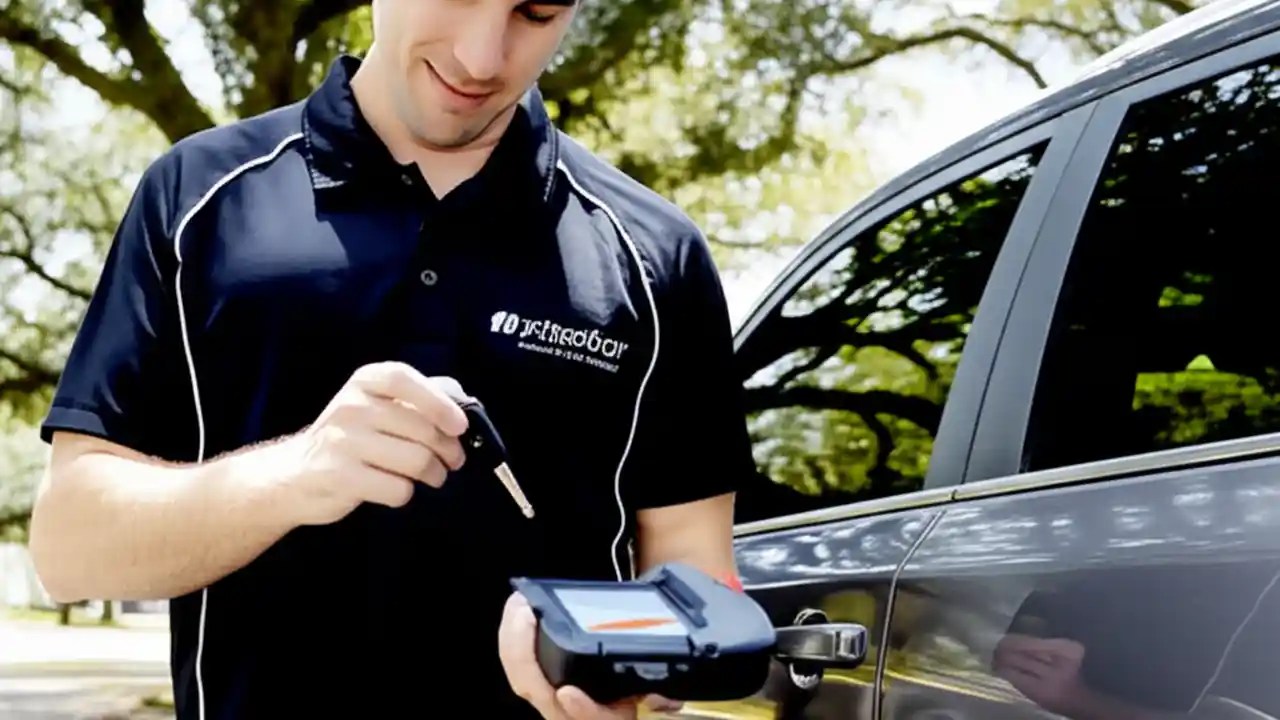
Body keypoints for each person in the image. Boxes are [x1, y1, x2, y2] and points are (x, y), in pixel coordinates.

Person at [26, 1, 755, 718]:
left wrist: (628, 678)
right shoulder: (196, 198)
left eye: (535, 14)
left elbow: (699, 581)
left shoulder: (657, 255)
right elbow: (70, 551)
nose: (482, 58)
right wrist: (295, 473)